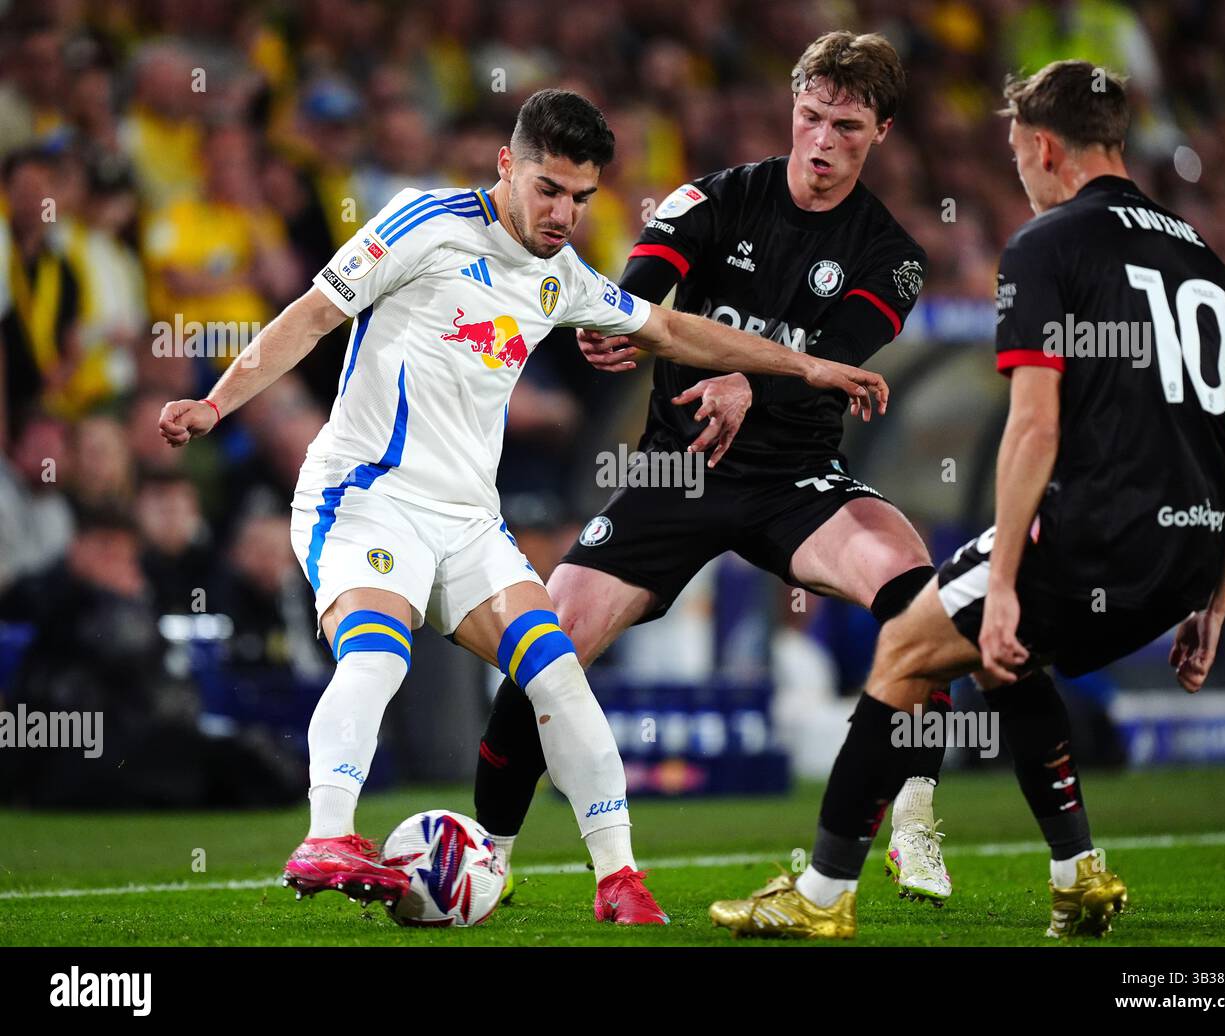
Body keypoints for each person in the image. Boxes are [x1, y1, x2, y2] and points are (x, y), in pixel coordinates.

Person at [158, 88, 887, 923]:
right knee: (379, 654)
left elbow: (677, 331)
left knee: (558, 675)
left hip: (469, 522)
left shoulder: (562, 276)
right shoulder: (420, 222)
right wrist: (216, 404)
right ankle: (328, 834)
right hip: (366, 495)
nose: (564, 213)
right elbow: (314, 315)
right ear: (507, 164)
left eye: (582, 197)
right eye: (549, 189)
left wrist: (808, 367)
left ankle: (618, 878)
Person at [710, 59, 1225, 939]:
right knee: (1008, 659)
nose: (1019, 174)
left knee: (905, 649)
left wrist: (1000, 582)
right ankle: (1079, 877)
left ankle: (817, 899)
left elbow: (1034, 429)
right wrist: (1217, 595)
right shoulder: (1203, 257)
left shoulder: (1046, 247)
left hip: (1094, 537)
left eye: (1016, 154)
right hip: (1188, 555)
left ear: (1045, 146)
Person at [474, 30, 956, 907]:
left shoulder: (893, 253)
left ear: (881, 131)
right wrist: (616, 318)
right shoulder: (719, 196)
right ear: (793, 107)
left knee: (919, 600)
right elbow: (647, 277)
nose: (821, 141)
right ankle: (489, 853)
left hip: (795, 478)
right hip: (677, 470)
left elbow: (837, 358)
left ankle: (915, 816)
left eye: (846, 127)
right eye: (811, 116)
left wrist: (747, 383)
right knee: (543, 647)